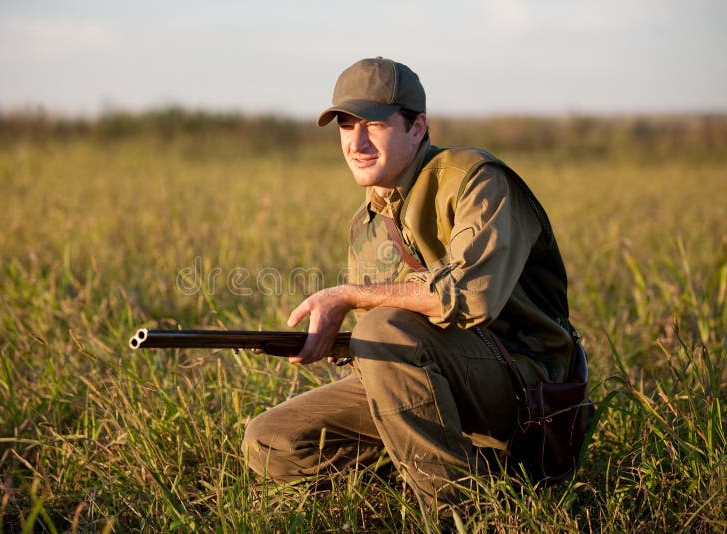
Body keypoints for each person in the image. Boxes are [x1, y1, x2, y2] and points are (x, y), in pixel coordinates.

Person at [242, 57, 577, 511]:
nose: (356, 143)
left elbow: (471, 297)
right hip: (436, 378)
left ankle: (462, 510)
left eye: (374, 125)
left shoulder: (475, 179)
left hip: (526, 385)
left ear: (417, 128)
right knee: (271, 440)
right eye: (345, 126)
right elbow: (394, 340)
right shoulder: (365, 225)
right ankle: (466, 471)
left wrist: (349, 296)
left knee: (383, 331)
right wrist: (341, 347)